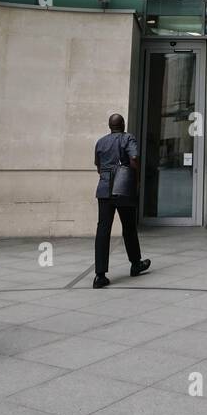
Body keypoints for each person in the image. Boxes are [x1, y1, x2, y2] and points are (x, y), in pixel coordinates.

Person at [93, 113, 149, 288]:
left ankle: (99, 275)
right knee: (129, 227)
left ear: (110, 126)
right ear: (123, 124)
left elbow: (98, 166)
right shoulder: (128, 137)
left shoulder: (100, 142)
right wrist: (136, 179)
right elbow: (133, 158)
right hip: (123, 189)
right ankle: (135, 264)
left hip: (103, 190)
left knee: (103, 230)